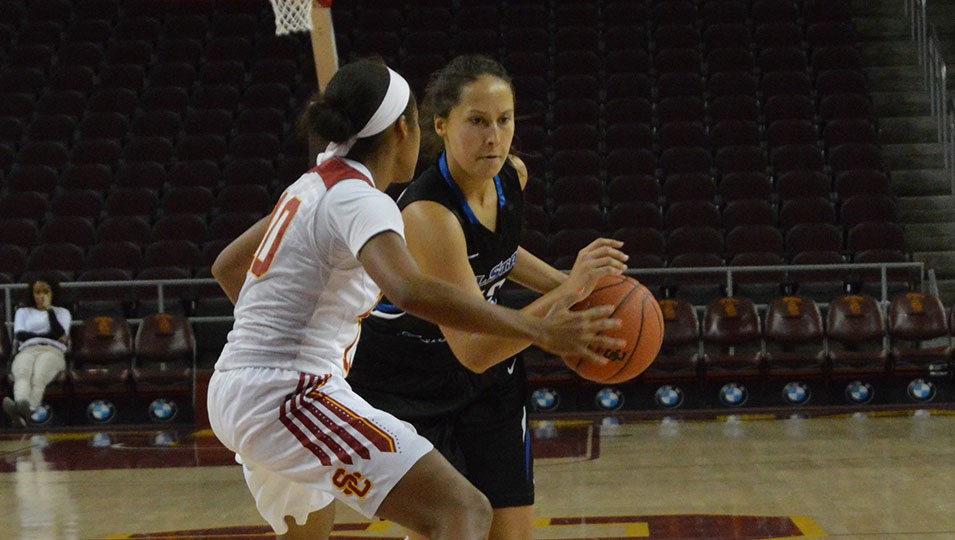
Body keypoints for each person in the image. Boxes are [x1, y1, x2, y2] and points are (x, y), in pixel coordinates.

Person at [213, 54, 630, 540]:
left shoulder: (312, 184)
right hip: (290, 394)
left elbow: (227, 267)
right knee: (462, 513)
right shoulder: (362, 199)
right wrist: (538, 328)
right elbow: (409, 289)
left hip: (245, 387)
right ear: (405, 131)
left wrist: (264, 343)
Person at [2, 278, 72, 428]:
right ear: (32, 294)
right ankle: (21, 406)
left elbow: (59, 333)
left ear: (53, 293)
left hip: (52, 351)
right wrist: (49, 336)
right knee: (22, 374)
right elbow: (20, 335)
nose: (41, 296)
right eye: (37, 292)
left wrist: (50, 311)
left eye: (45, 292)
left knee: (39, 376)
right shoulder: (22, 311)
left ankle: (28, 410)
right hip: (27, 349)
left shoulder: (62, 312)